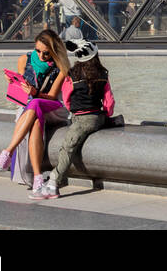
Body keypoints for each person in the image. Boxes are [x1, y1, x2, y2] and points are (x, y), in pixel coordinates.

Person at [0, 30, 70, 194]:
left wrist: (34, 93)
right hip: (32, 106)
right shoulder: (24, 59)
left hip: (53, 106)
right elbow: (21, 90)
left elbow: (52, 96)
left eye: (46, 53)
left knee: (35, 104)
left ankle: (8, 151)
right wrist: (13, 81)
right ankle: (37, 178)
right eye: (38, 51)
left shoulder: (61, 67)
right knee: (35, 117)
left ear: (54, 51)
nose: (41, 55)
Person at [35, 40, 114, 200]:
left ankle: (53, 184)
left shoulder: (73, 74)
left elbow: (67, 97)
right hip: (97, 117)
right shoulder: (103, 73)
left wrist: (74, 110)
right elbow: (109, 101)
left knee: (67, 148)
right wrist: (105, 114)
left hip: (81, 118)